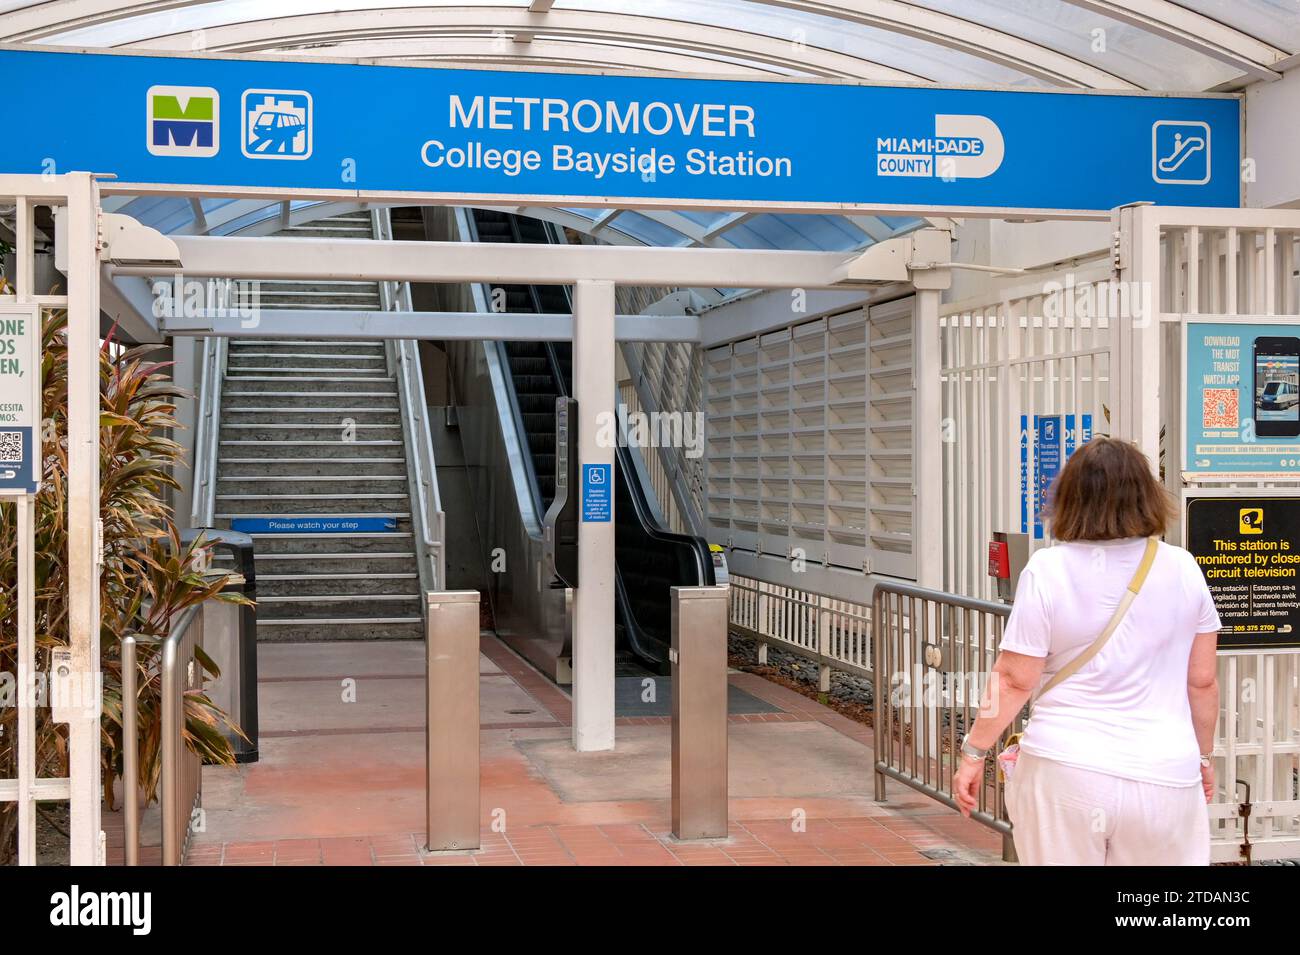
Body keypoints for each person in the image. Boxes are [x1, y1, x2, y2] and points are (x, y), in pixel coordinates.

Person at [952, 437, 1220, 865]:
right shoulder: (1184, 568)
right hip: (1164, 773)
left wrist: (973, 752)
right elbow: (1202, 681)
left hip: (1066, 767)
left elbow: (1014, 679)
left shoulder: (1048, 569)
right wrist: (1203, 757)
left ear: (1071, 499)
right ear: (1146, 496)